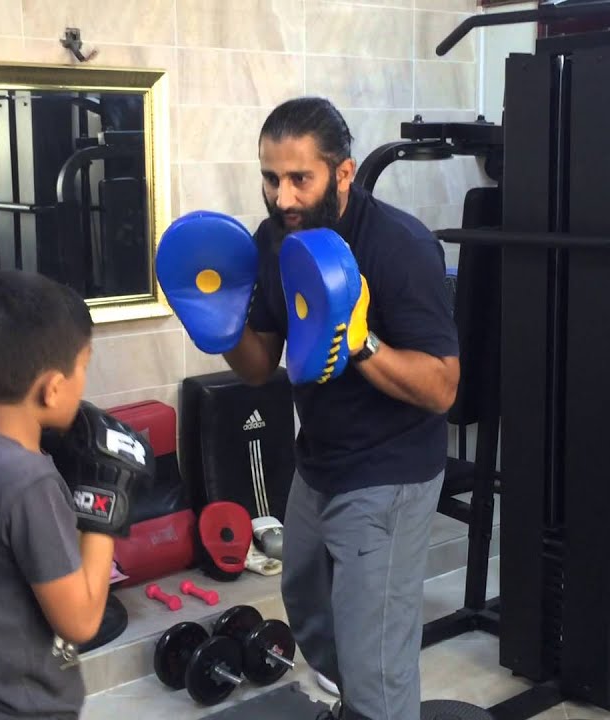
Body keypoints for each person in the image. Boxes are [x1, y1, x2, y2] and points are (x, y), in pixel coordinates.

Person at [229, 98, 460, 720]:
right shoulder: (276, 239)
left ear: (344, 173)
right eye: (271, 178)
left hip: (390, 473)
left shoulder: (398, 246)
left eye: (299, 178)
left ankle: (376, 706)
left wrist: (360, 342)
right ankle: (358, 700)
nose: (282, 197)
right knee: (309, 608)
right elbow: (260, 365)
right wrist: (220, 324)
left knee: (376, 658)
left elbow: (443, 388)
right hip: (319, 461)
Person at [0, 270, 121, 720]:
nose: (83, 381)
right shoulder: (30, 484)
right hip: (17, 709)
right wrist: (105, 507)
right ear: (53, 388)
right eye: (82, 367)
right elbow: (81, 621)